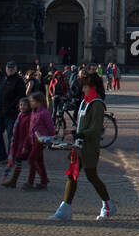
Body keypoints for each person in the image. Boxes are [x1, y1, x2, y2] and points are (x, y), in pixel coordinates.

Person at [49, 72, 117, 221]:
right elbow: (82, 125)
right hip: (79, 147)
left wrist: (76, 135)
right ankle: (65, 208)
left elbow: (95, 129)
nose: (83, 90)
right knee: (72, 175)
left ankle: (108, 204)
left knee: (92, 176)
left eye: (85, 87)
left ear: (92, 87)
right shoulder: (85, 103)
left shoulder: (97, 104)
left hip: (89, 147)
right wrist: (73, 132)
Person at [0, 61, 26, 163]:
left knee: (11, 136)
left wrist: (12, 107)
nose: (10, 69)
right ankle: (1, 155)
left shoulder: (19, 80)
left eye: (12, 68)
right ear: (6, 68)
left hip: (11, 113)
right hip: (0, 112)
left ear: (16, 69)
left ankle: (11, 157)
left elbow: (21, 96)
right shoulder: (4, 79)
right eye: (8, 68)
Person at [1, 97, 34, 188]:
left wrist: (25, 145)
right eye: (21, 105)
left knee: (33, 161)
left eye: (25, 105)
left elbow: (29, 132)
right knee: (20, 160)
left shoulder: (28, 117)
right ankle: (13, 181)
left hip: (25, 143)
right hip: (19, 142)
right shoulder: (20, 115)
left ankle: (43, 178)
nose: (22, 107)